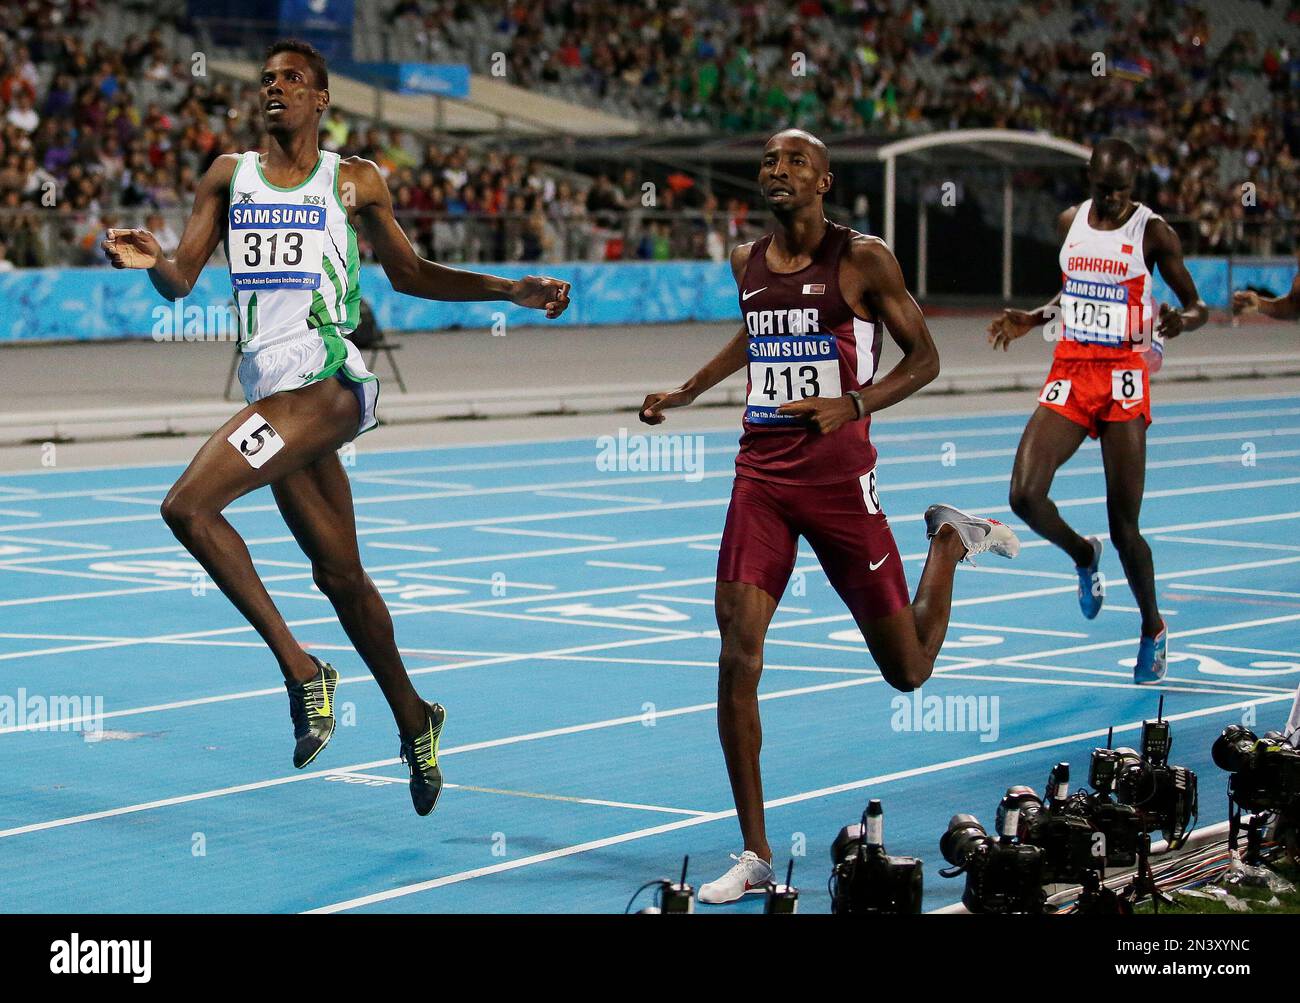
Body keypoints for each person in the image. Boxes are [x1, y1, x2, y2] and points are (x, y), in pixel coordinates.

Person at [102, 39, 570, 817]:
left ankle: (302, 670)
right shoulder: (230, 174)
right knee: (341, 577)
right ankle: (416, 717)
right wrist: (152, 258)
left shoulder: (353, 181)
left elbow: (412, 273)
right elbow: (182, 279)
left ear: (322, 99)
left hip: (326, 384)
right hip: (273, 396)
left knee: (187, 506)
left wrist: (509, 289)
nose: (275, 89)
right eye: (266, 80)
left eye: (291, 80)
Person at [639, 129, 1020, 904]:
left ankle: (948, 540)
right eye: (771, 161)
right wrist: (686, 390)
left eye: (796, 162)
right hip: (763, 481)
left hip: (842, 486)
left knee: (909, 670)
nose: (779, 170)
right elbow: (755, 335)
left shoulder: (863, 259)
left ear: (825, 182)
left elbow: (926, 358)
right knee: (737, 653)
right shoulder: (748, 261)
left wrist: (851, 405)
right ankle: (754, 854)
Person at [987, 138, 1207, 684]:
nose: (1110, 200)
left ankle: (1153, 628)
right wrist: (1033, 319)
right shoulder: (1070, 221)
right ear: (1089, 179)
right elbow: (1075, 294)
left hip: (1125, 376)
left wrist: (1185, 320)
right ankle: (1084, 555)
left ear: (1134, 187)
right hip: (1072, 368)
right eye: (1101, 189)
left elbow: (1199, 304)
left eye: (1120, 191)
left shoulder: (1153, 233)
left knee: (1125, 524)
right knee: (1023, 494)